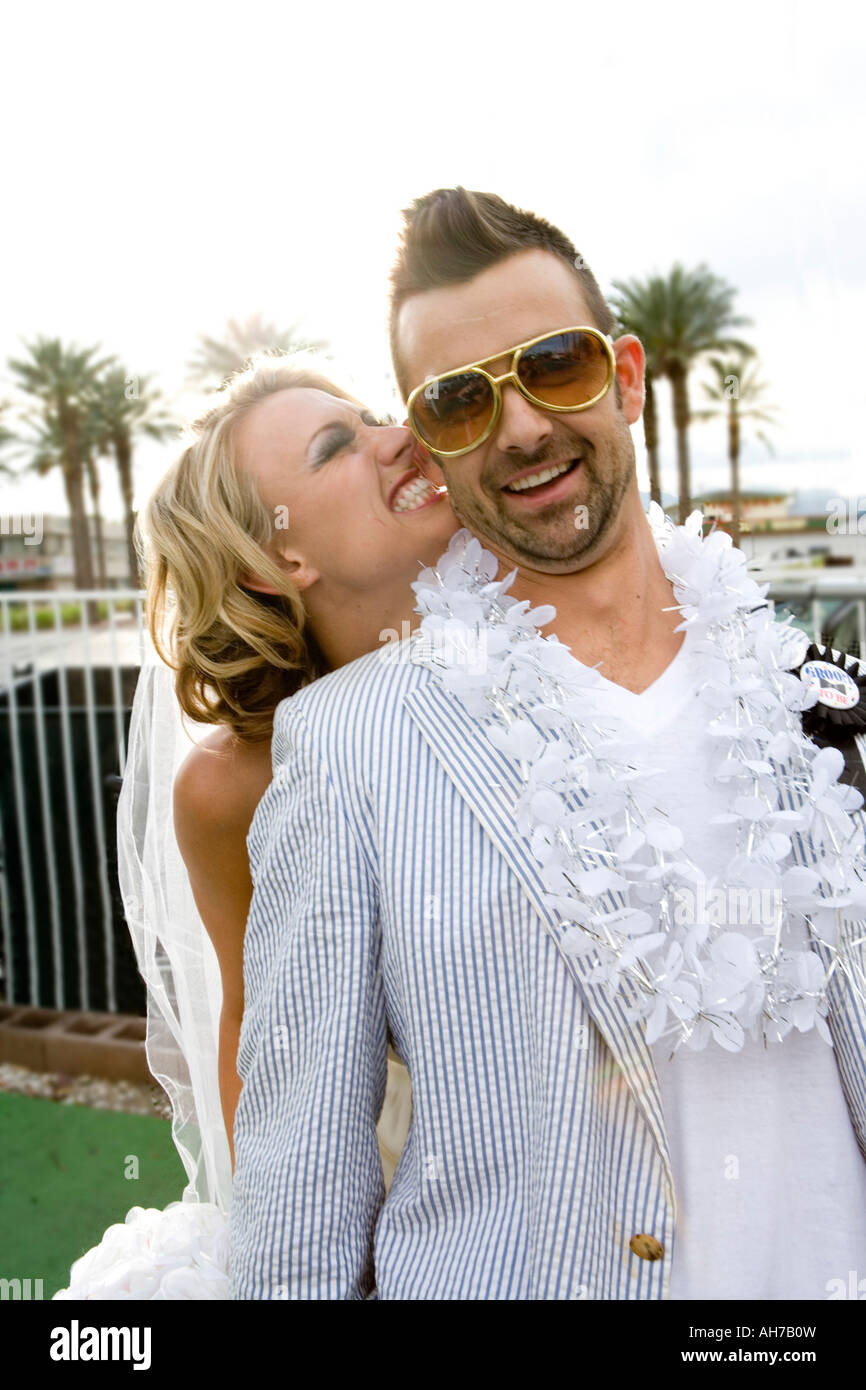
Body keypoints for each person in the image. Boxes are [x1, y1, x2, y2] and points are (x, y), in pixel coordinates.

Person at [231, 188, 866, 1301]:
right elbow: (298, 1214)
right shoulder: (346, 750)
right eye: (461, 400)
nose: (521, 427)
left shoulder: (813, 695)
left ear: (622, 375)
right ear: (428, 440)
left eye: (556, 365)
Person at [53, 356, 460, 1298]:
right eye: (338, 447)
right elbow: (252, 1020)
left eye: (370, 414)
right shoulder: (232, 787)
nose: (399, 434)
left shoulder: (536, 648)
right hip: (399, 1171)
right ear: (278, 560)